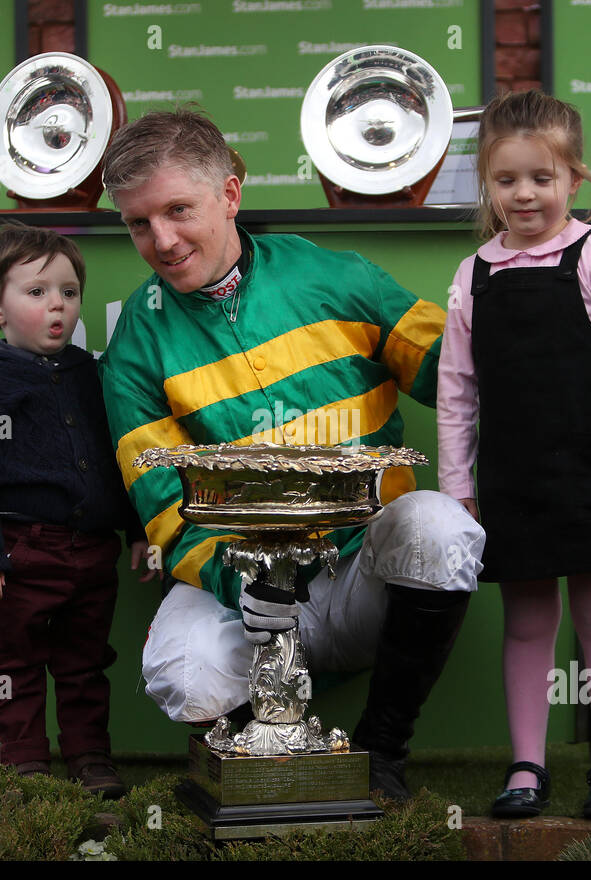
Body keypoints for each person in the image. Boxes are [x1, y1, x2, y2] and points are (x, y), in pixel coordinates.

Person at [98, 107, 485, 800]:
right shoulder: (137, 335)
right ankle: (256, 756)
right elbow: (159, 501)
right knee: (179, 673)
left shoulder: (332, 275)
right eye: (137, 223)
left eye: (178, 210)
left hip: (363, 571)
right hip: (249, 590)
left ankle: (382, 752)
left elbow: (454, 368)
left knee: (442, 528)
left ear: (229, 195)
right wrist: (233, 582)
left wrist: (534, 319)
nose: (161, 239)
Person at [438, 90, 591, 819]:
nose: (524, 194)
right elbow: (457, 391)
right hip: (515, 481)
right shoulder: (472, 276)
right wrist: (458, 487)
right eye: (507, 179)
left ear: (574, 180)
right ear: (488, 182)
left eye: (542, 179)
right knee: (526, 620)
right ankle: (526, 765)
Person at [0, 222, 152, 798]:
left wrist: (137, 530)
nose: (57, 305)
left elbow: (121, 459)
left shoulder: (93, 376)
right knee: (16, 662)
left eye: (69, 292)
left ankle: (89, 757)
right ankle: (24, 760)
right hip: (23, 553)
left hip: (93, 554)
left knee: (84, 663)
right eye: (36, 293)